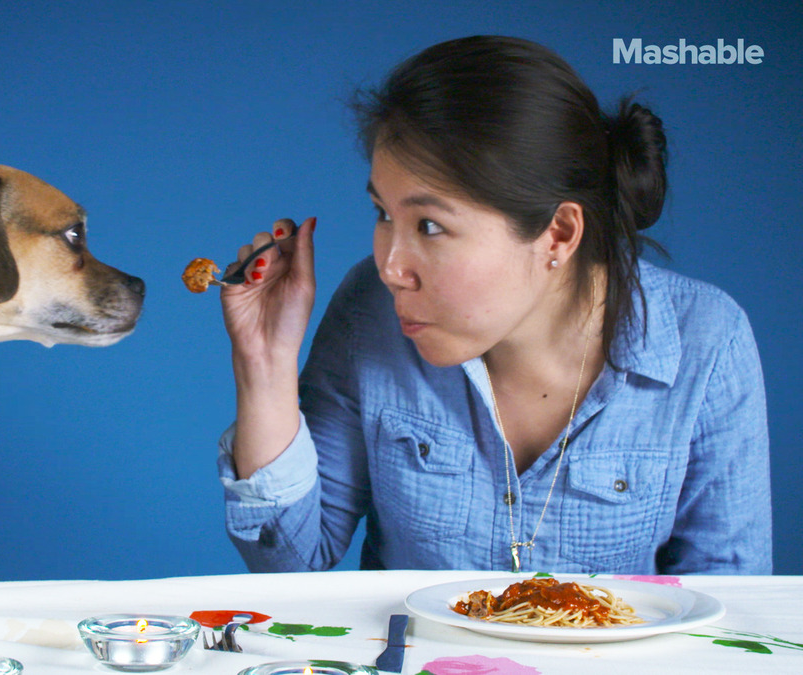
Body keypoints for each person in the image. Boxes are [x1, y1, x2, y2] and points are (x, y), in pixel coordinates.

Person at [215, 35, 771, 575]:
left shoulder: (707, 341)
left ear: (558, 233)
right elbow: (287, 560)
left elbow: (727, 614)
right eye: (384, 214)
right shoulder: (370, 310)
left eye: (430, 225)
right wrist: (264, 365)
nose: (390, 268)